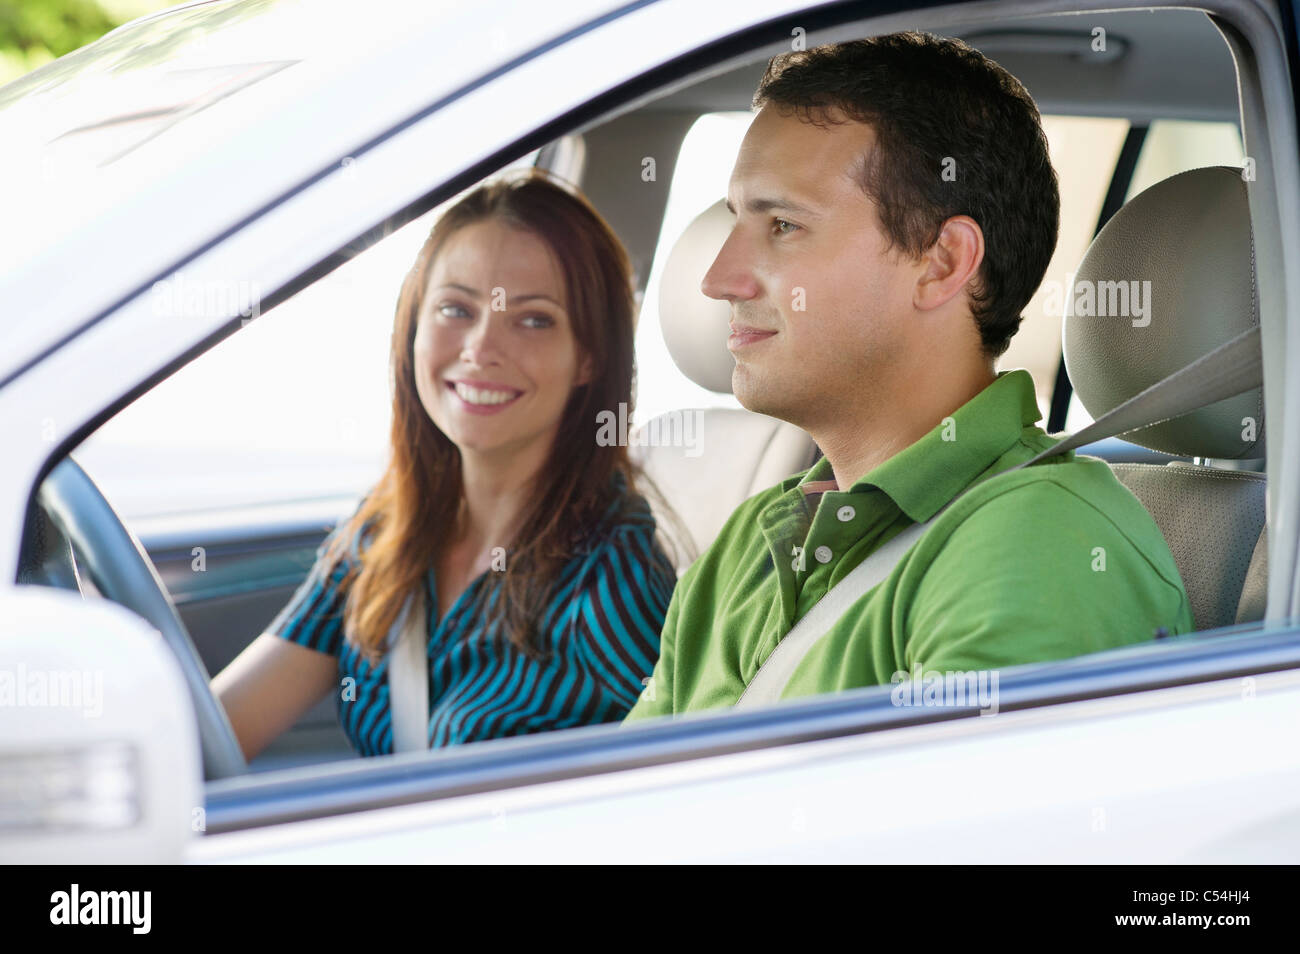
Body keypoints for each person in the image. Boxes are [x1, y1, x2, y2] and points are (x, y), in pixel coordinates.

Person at [624, 32, 1193, 721]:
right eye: (734, 219)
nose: (717, 278)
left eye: (781, 225)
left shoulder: (1041, 543)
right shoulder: (756, 540)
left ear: (942, 262)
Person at [214, 169, 679, 757]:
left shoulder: (613, 580)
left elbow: (678, 792)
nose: (481, 348)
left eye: (534, 319)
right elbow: (221, 727)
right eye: (456, 309)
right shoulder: (385, 529)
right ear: (412, 327)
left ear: (589, 358)